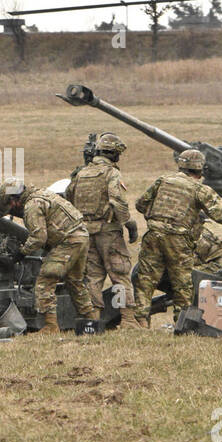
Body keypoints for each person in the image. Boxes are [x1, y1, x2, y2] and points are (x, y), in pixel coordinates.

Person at [132, 149, 222, 327]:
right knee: (182, 285)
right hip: (178, 240)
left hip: (153, 235)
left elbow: (140, 204)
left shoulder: (163, 180)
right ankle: (181, 324)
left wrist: (157, 218)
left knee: (146, 280)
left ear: (180, 165)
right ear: (200, 169)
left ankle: (141, 323)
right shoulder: (199, 188)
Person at [0, 178, 97, 334]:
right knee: (74, 281)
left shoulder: (32, 205)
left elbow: (39, 237)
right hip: (81, 238)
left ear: (14, 198)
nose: (12, 207)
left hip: (68, 242)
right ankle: (91, 323)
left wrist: (19, 254)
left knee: (45, 280)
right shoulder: (43, 194)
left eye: (10, 203)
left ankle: (51, 326)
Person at [64, 133, 137, 327]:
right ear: (114, 154)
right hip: (108, 232)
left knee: (93, 278)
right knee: (119, 275)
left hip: (86, 232)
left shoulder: (81, 173)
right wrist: (129, 223)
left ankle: (93, 320)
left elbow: (68, 197)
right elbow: (117, 200)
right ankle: (127, 319)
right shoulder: (111, 173)